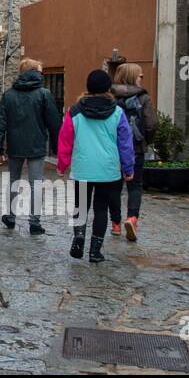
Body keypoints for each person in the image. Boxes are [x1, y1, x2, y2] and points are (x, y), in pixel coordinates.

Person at [57, 69, 134, 263]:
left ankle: (79, 236)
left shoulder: (74, 111)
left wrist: (62, 164)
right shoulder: (117, 112)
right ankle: (95, 250)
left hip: (83, 167)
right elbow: (125, 142)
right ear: (108, 88)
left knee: (80, 206)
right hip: (107, 170)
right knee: (101, 209)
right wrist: (128, 168)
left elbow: (65, 140)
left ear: (88, 87)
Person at [0, 58, 61, 235]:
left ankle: (10, 216)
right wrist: (58, 149)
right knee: (35, 184)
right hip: (36, 145)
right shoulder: (44, 94)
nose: (42, 72)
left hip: (15, 145)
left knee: (13, 181)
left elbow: (1, 124)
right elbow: (54, 124)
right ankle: (34, 222)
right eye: (40, 70)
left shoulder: (9, 95)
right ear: (35, 72)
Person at [110, 62, 156, 242]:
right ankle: (132, 218)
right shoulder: (143, 97)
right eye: (140, 75)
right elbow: (151, 123)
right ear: (132, 76)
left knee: (114, 187)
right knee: (135, 186)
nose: (141, 78)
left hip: (113, 148)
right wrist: (146, 140)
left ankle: (115, 224)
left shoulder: (110, 96)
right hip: (136, 147)